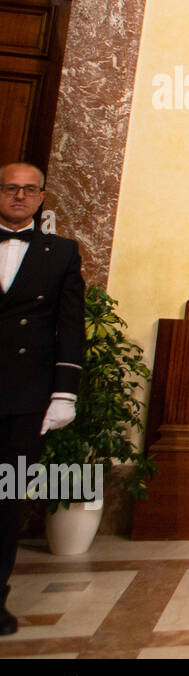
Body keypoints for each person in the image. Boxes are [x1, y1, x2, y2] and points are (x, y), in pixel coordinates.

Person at [0, 162, 85, 635]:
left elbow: (70, 327)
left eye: (29, 190)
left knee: (5, 499)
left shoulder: (61, 253)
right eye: (11, 188)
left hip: (26, 398)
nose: (19, 196)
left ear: (41, 198)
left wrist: (64, 393)